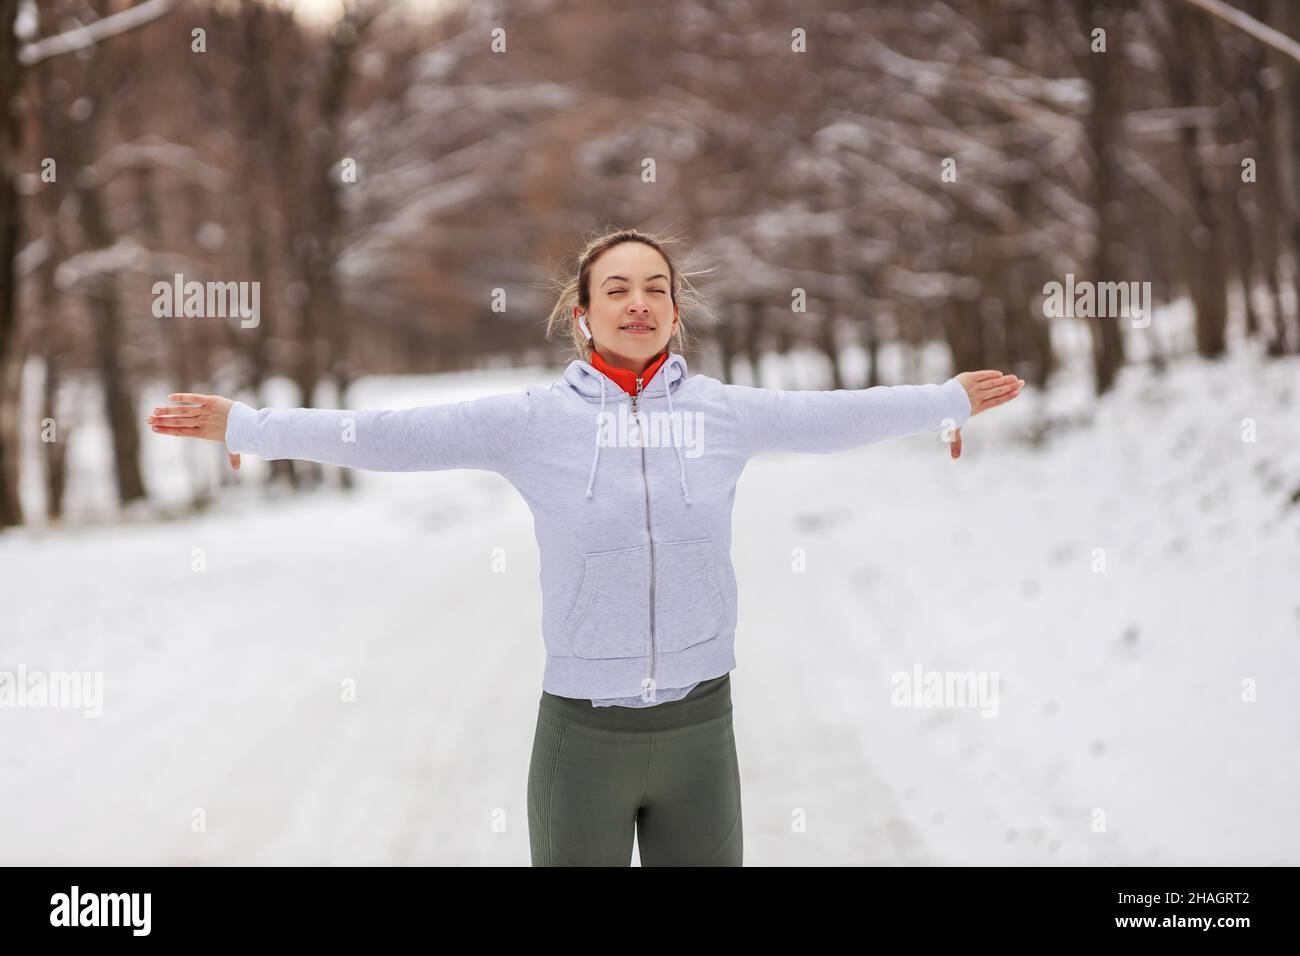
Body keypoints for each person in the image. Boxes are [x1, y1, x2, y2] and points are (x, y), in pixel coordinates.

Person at [147, 227, 1024, 866]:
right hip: (583, 741)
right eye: (616, 288)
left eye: (654, 288)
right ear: (583, 316)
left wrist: (942, 403)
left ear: (676, 314)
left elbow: (835, 417)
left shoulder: (722, 414)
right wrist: (254, 427)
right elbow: (386, 435)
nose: (637, 301)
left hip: (699, 733)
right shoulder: (534, 424)